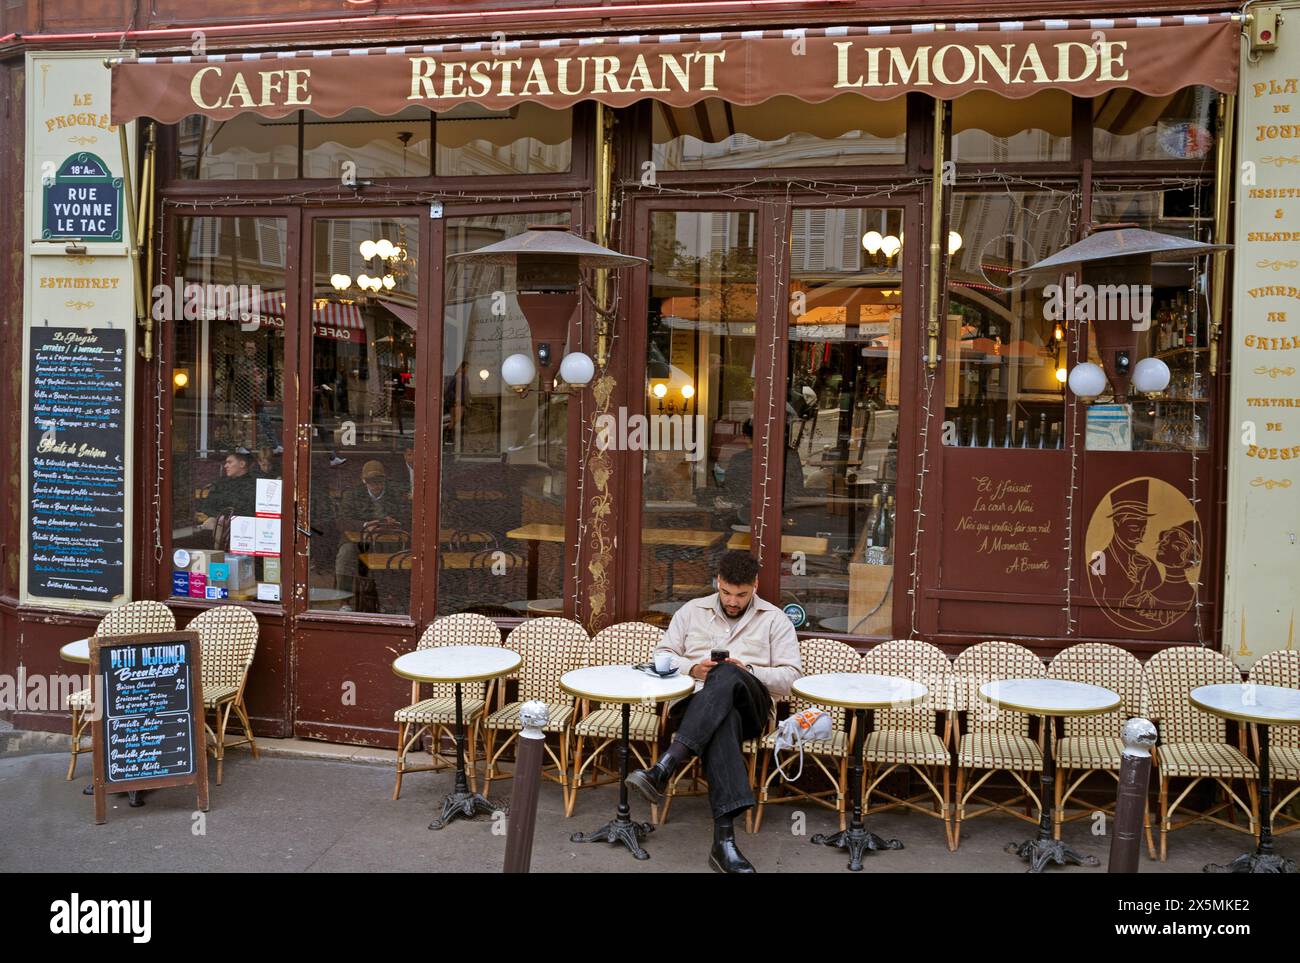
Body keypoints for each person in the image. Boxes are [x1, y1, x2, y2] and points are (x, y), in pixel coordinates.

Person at [624, 550, 801, 873]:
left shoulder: (775, 619)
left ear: (755, 586)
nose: (733, 601)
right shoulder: (691, 612)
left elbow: (790, 679)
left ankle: (667, 764)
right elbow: (662, 655)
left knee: (729, 672)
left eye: (741, 595)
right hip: (695, 707)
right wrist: (693, 668)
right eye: (727, 592)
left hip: (753, 710)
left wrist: (746, 669)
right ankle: (724, 844)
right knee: (723, 719)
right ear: (718, 582)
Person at [334, 460, 410, 600]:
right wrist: (364, 525)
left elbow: (407, 517)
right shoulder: (352, 494)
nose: (376, 486)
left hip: (389, 539)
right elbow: (341, 522)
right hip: (358, 540)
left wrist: (395, 522)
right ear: (364, 481)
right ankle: (344, 599)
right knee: (345, 554)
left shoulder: (395, 495)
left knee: (405, 555)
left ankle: (395, 595)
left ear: (384, 480)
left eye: (379, 482)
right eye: (372, 482)